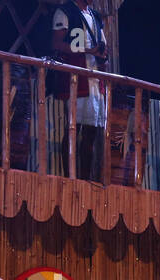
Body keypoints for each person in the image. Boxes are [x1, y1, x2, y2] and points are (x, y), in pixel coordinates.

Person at [50, 0, 109, 181]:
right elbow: (58, 44)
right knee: (73, 129)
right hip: (76, 79)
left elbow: (102, 44)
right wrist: (88, 50)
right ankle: (70, 178)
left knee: (91, 130)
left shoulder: (96, 16)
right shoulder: (65, 12)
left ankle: (85, 179)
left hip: (94, 78)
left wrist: (101, 55)